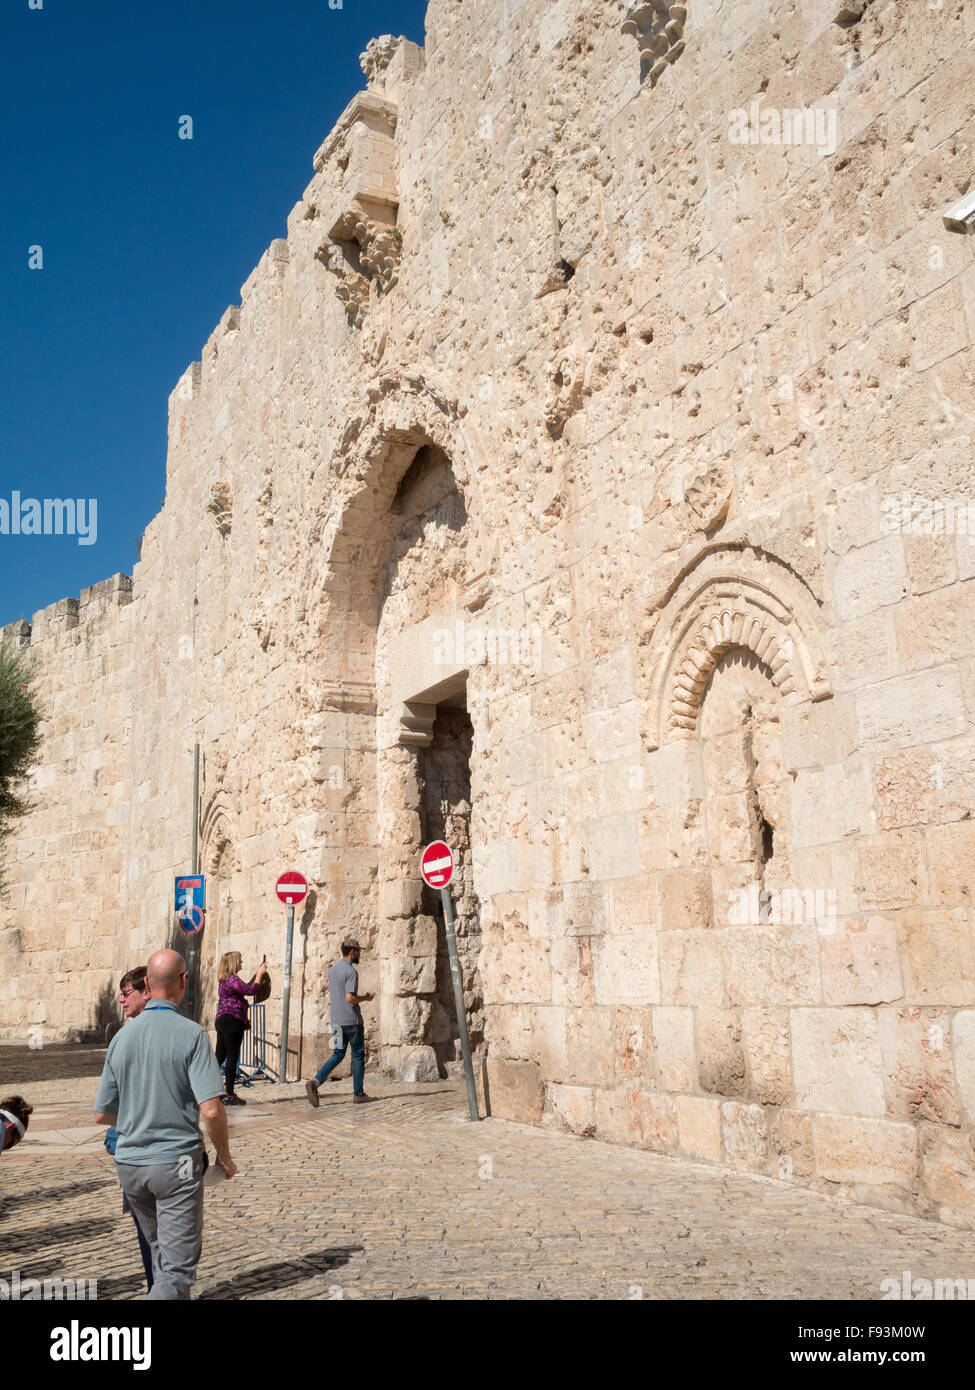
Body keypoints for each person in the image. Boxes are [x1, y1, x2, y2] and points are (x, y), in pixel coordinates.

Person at [94, 948, 237, 1300]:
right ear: (184, 982)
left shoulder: (120, 1039)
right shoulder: (191, 1035)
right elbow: (213, 1110)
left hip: (130, 1165)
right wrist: (225, 1157)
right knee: (176, 1271)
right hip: (177, 1164)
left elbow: (101, 1113)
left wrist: (139, 1111)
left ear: (146, 983)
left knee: (161, 1257)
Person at [103, 966, 155, 1292]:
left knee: (149, 1232)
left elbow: (105, 1108)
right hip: (164, 1152)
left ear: (146, 990)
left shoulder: (122, 1039)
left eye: (126, 992)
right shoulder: (185, 1031)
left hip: (138, 1152)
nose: (121, 999)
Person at [305, 938, 375, 1107]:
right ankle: (359, 1094)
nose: (360, 954)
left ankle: (316, 1081)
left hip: (336, 1020)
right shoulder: (351, 972)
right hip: (352, 1021)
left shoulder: (333, 970)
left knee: (338, 1054)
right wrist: (365, 997)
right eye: (358, 951)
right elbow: (349, 998)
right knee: (358, 1055)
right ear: (351, 952)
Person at [215, 951, 268, 1105]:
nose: (241, 963)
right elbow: (250, 991)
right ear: (233, 963)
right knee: (232, 1058)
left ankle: (211, 1091)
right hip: (233, 1021)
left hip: (222, 1019)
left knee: (219, 1057)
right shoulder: (232, 979)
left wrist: (256, 974)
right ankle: (230, 1095)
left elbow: (245, 987)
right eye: (240, 961)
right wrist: (259, 975)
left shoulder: (225, 980)